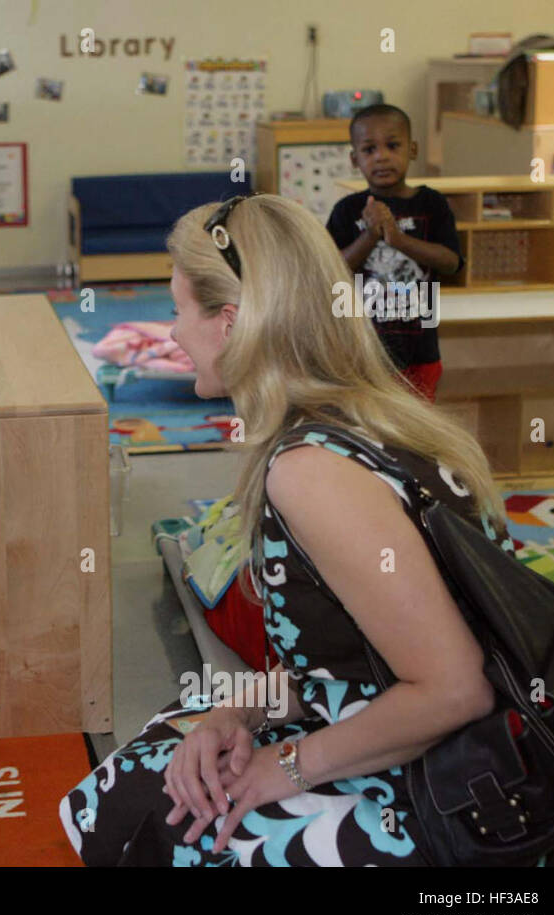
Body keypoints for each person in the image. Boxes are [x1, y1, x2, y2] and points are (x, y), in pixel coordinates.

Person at [60, 193, 518, 866]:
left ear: (233, 323)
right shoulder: (374, 419)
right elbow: (351, 656)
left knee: (143, 808)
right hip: (437, 740)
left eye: (182, 309)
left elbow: (454, 689)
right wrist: (240, 714)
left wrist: (287, 766)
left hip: (454, 793)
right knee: (182, 732)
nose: (175, 332)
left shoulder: (312, 472)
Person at [325, 104, 462, 403]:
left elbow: (451, 263)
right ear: (354, 159)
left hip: (420, 352)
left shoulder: (432, 204)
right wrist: (371, 233)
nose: (381, 156)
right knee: (367, 429)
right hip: (361, 353)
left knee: (415, 433)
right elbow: (331, 271)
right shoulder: (347, 210)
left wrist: (397, 238)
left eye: (392, 145)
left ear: (412, 149)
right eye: (369, 149)